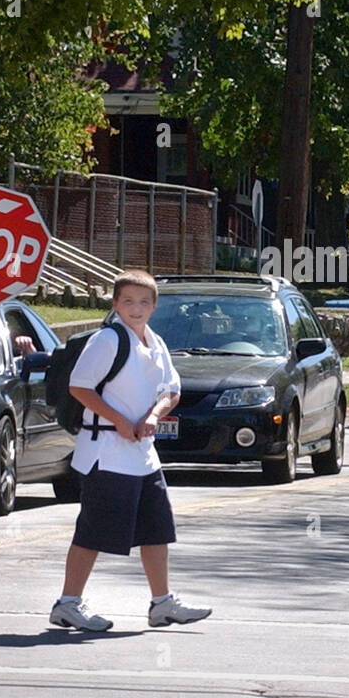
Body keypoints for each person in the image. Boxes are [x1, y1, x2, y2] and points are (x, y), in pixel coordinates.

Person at [52, 269, 210, 632]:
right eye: (128, 301)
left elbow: (172, 390)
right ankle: (67, 604)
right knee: (92, 531)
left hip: (143, 455)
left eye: (143, 302)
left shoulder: (155, 342)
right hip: (105, 452)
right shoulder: (108, 340)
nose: (136, 308)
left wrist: (154, 415)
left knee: (157, 530)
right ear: (115, 304)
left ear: (154, 306)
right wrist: (121, 420)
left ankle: (162, 603)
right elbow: (80, 387)